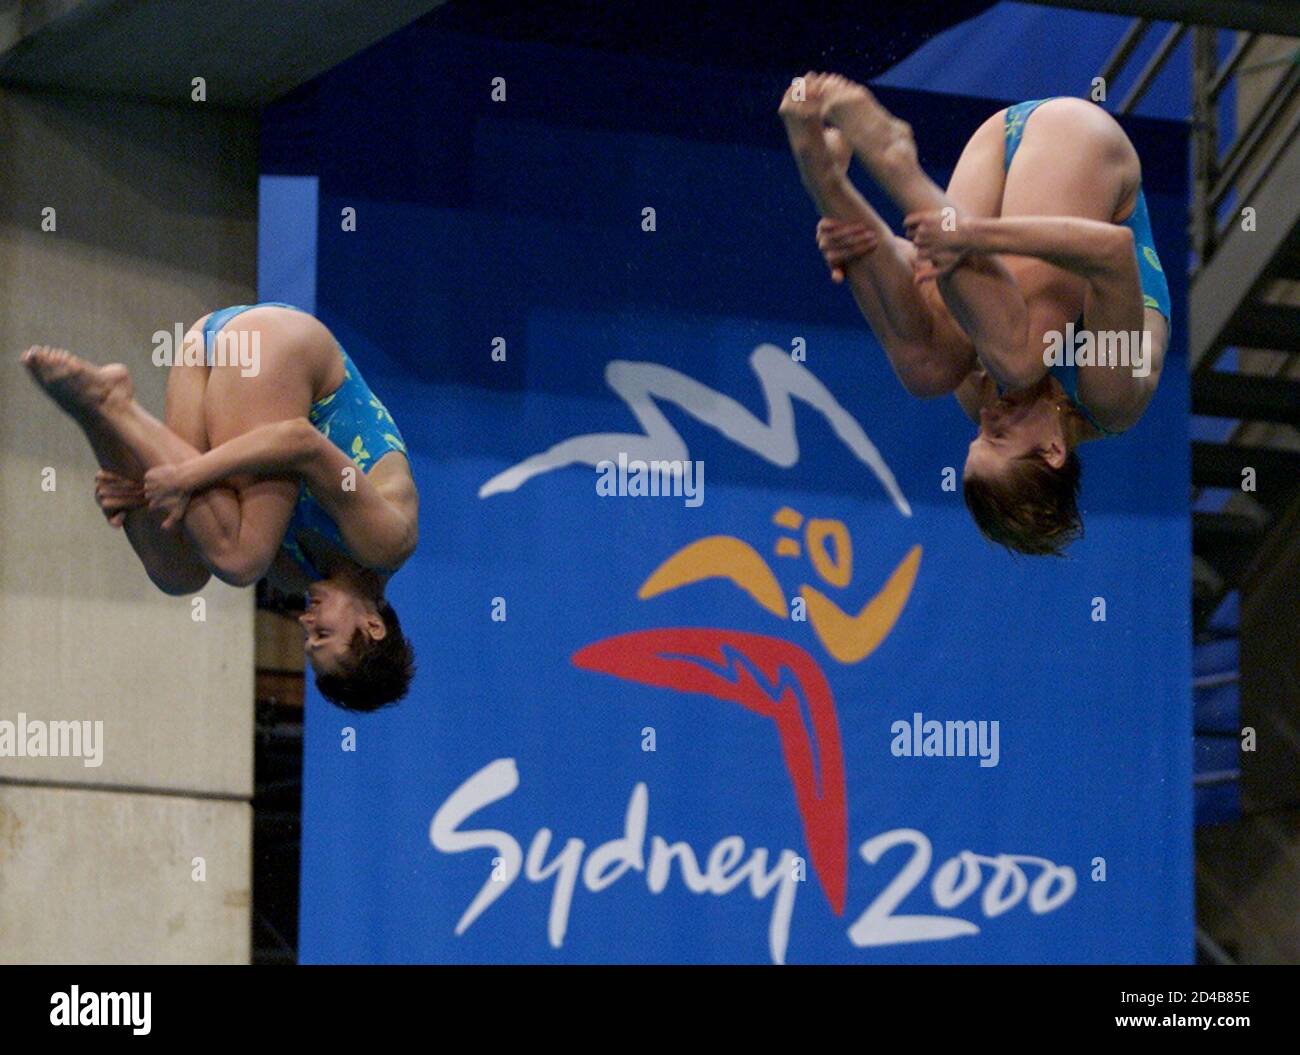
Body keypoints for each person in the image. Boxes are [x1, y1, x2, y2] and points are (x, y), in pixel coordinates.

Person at [779, 73, 1171, 555]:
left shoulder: (983, 396)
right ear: (1053, 451)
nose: (986, 416)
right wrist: (974, 235)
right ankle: (897, 162)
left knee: (931, 371)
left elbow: (931, 275)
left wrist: (863, 246)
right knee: (1021, 359)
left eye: (978, 434)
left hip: (995, 145)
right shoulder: (1110, 394)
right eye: (999, 434)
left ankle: (827, 183)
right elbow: (1111, 251)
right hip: (1074, 137)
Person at [22, 302, 418, 709]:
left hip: (205, 348)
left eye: (307, 638)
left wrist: (143, 495)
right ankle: (112, 404)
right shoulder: (385, 541)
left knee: (180, 573)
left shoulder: (291, 574)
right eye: (322, 634)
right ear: (373, 626)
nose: (304, 622)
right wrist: (188, 476)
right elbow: (301, 442)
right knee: (242, 559)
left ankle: (98, 418)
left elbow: (199, 513)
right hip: (273, 343)